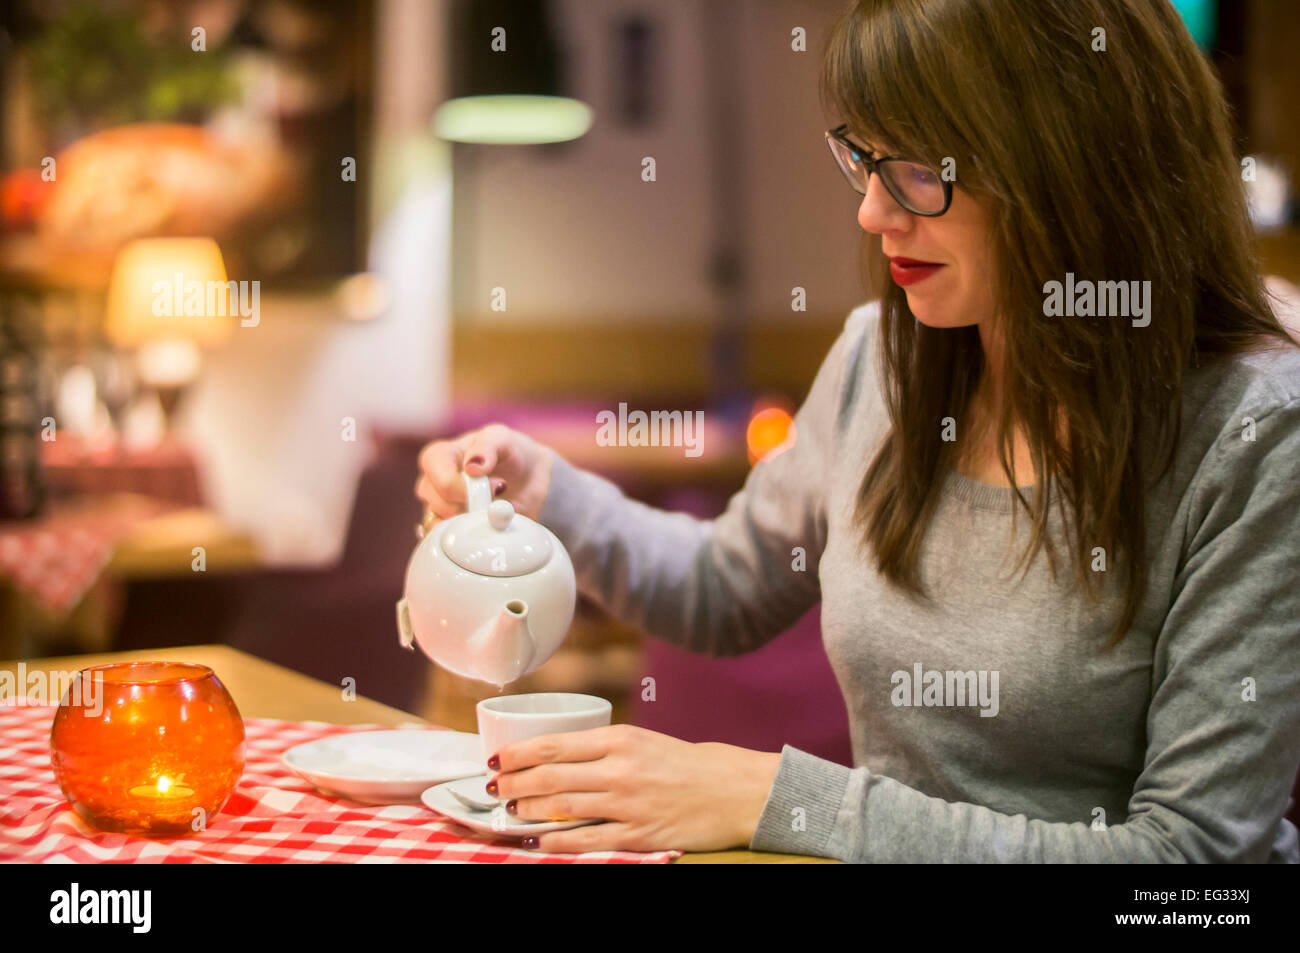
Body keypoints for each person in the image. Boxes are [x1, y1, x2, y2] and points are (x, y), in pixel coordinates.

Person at [415, 0, 1300, 862]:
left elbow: (1192, 857)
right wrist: (546, 494)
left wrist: (777, 797)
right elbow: (724, 590)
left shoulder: (1255, 431)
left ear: (1077, 167)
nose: (875, 212)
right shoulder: (883, 359)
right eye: (864, 158)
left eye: (920, 167)